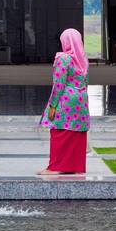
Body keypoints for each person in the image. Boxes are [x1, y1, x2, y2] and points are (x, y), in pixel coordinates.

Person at [36, 28, 90, 177]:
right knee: (75, 133)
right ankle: (74, 167)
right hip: (81, 100)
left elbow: (58, 84)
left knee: (59, 131)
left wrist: (53, 105)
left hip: (66, 100)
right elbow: (86, 82)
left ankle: (55, 167)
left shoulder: (63, 58)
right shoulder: (83, 60)